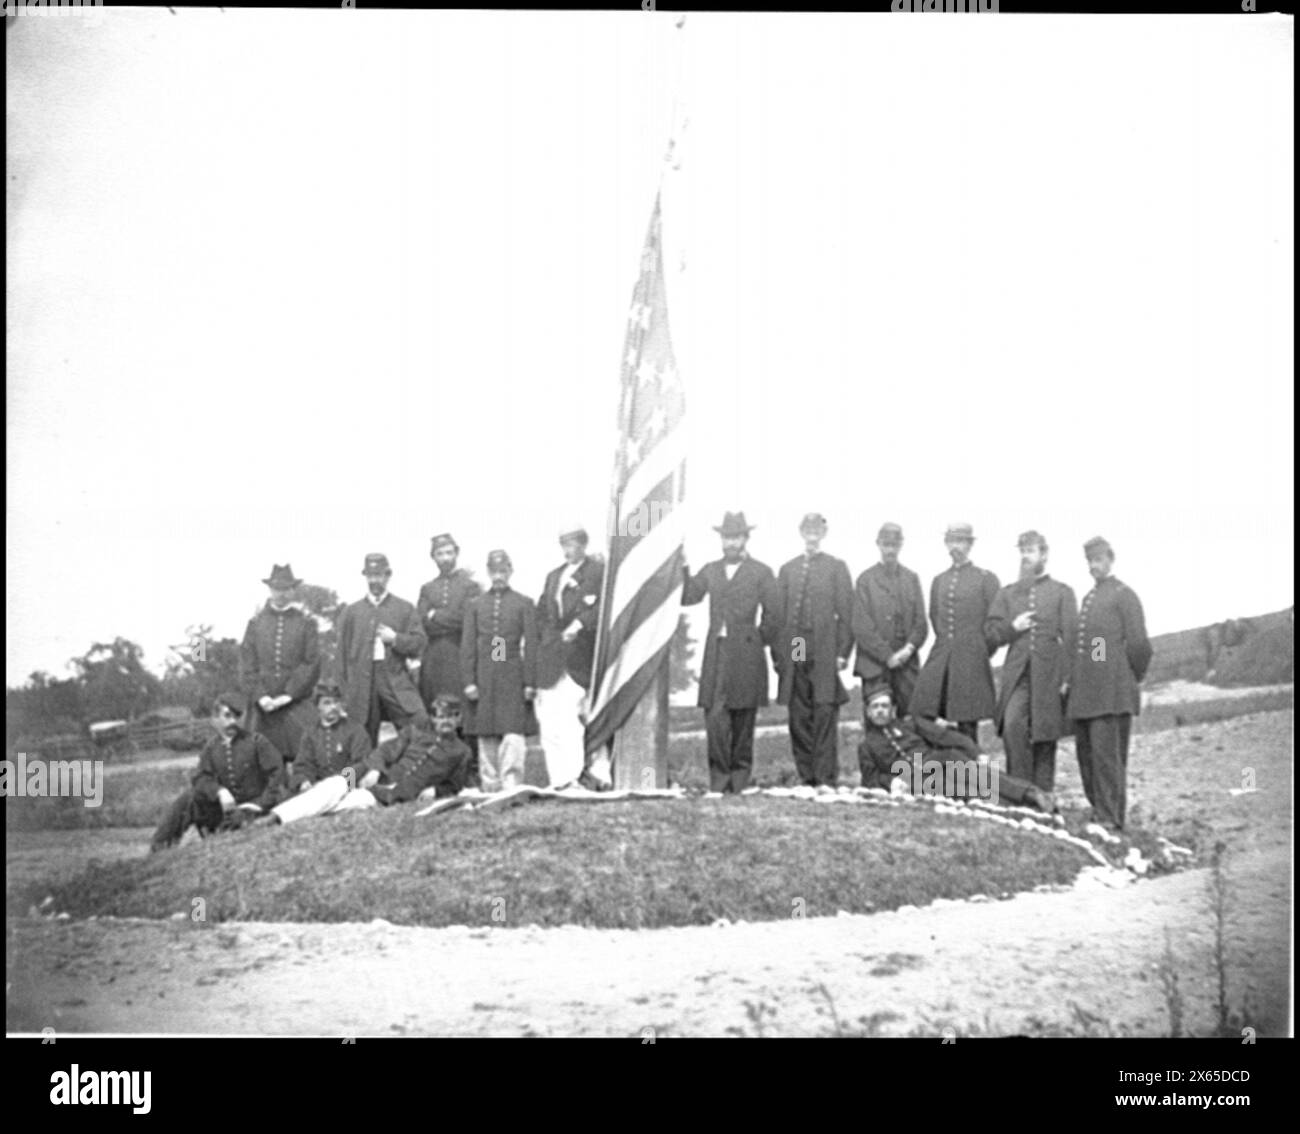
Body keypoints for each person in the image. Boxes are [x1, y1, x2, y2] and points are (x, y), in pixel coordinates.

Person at [681, 511, 781, 794]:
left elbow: (775, 616)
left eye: (736, 537)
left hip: (747, 653)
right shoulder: (711, 570)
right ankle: (719, 781)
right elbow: (689, 595)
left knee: (743, 717)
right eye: (727, 537)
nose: (731, 543)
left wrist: (756, 639)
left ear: (746, 539)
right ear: (721, 539)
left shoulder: (761, 572)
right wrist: (683, 565)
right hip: (717, 652)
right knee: (715, 717)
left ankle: (739, 781)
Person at [259, 695, 469, 824]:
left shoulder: (462, 751)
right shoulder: (413, 733)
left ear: (459, 718)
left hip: (385, 796)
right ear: (433, 718)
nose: (445, 722)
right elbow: (384, 751)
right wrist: (375, 769)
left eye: (451, 716)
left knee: (348, 805)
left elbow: (455, 784)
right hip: (363, 775)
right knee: (334, 785)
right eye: (440, 716)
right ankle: (274, 817)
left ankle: (284, 816)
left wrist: (436, 791)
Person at [1065, 536, 1152, 833]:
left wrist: (1130, 677)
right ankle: (1099, 809)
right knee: (1087, 756)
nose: (1093, 566)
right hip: (1089, 693)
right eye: (1089, 561)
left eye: (1098, 560)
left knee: (1107, 759)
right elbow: (1097, 647)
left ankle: (1111, 818)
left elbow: (1138, 644)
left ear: (1110, 559)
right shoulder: (1090, 598)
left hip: (1111, 694)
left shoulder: (1123, 595)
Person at [857, 683, 1055, 813]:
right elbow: (871, 779)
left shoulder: (911, 724)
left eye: (884, 706)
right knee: (966, 791)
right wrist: (892, 782)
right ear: (868, 712)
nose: (880, 711)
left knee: (980, 775)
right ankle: (1022, 810)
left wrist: (976, 752)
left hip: (940, 760)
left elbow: (946, 736)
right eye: (875, 707)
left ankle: (1032, 794)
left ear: (892, 711)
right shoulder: (866, 746)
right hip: (917, 779)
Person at [985, 531, 1078, 793]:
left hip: (1050, 676)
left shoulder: (1062, 592)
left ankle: (1044, 799)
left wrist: (1070, 678)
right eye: (1022, 551)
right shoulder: (1008, 594)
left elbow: (1073, 638)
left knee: (1046, 736)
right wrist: (1012, 628)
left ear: (1044, 554)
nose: (1025, 556)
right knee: (1013, 726)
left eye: (1031, 550)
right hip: (1017, 676)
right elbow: (990, 634)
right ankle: (1021, 795)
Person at [773, 513, 853, 787]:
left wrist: (843, 652)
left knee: (824, 709)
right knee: (799, 710)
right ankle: (807, 776)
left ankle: (825, 778)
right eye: (807, 529)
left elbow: (846, 614)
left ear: (824, 532)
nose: (812, 534)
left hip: (824, 645)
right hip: (798, 644)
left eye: (817, 529)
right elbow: (779, 616)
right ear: (800, 532)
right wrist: (781, 657)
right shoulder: (788, 569)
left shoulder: (836, 567)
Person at [150, 692, 286, 851]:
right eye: (227, 716)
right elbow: (201, 777)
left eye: (236, 716)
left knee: (243, 821)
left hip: (254, 809)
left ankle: (227, 831)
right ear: (215, 720)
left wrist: (260, 804)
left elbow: (277, 775)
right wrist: (219, 792)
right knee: (189, 798)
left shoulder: (256, 742)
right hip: (224, 812)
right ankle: (160, 847)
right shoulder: (211, 747)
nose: (232, 722)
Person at [910, 522, 1001, 741]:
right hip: (942, 655)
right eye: (951, 541)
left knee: (967, 722)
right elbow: (935, 617)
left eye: (960, 541)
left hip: (972, 657)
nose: (955, 547)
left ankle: (970, 771)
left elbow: (995, 623)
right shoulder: (939, 580)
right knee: (921, 710)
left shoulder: (986, 578)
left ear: (969, 545)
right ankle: (942, 766)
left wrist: (979, 650)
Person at [461, 550, 538, 793]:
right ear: (488, 573)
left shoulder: (523, 603)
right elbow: (468, 645)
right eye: (494, 572)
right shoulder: (476, 605)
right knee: (486, 731)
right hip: (484, 676)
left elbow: (532, 645)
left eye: (503, 571)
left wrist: (529, 681)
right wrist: (469, 681)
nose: (498, 577)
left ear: (510, 572)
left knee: (512, 729)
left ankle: (512, 783)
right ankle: (490, 784)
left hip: (512, 675)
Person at [535, 524, 605, 790]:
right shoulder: (553, 577)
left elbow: (603, 607)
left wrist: (580, 625)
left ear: (583, 545)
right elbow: (540, 614)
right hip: (548, 658)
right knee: (550, 721)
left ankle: (579, 776)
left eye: (573, 544)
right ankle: (559, 779)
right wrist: (546, 639)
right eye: (563, 544)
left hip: (580, 656)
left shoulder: (597, 572)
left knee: (576, 718)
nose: (568, 550)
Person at [336, 553, 428, 745]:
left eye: (379, 575)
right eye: (371, 575)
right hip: (362, 684)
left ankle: (408, 773)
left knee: (418, 725)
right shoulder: (352, 612)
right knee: (358, 739)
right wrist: (345, 692)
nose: (375, 580)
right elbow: (342, 656)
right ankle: (353, 776)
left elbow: (420, 642)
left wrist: (396, 639)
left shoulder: (404, 608)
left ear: (388, 576)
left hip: (393, 678)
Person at [238, 563, 320, 768]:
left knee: (313, 749)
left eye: (286, 589)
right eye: (277, 588)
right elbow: (247, 663)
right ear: (270, 590)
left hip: (295, 700)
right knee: (255, 756)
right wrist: (261, 696)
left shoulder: (306, 623)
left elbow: (311, 662)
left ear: (293, 590)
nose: (281, 594)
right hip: (262, 704)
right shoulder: (255, 623)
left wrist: (289, 695)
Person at [259, 681, 372, 825]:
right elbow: (303, 765)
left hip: (349, 787)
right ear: (317, 707)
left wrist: (343, 781)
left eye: (336, 702)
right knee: (328, 793)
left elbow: (362, 762)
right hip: (320, 789)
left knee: (362, 798)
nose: (333, 707)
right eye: (327, 703)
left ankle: (285, 815)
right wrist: (304, 782)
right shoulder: (310, 734)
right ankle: (285, 815)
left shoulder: (355, 729)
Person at [852, 522, 927, 718]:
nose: (890, 550)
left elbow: (921, 623)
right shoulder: (865, 580)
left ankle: (915, 752)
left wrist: (908, 649)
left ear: (901, 545)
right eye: (886, 545)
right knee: (877, 721)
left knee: (913, 722)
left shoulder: (911, 578)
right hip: (874, 664)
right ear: (878, 545)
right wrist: (887, 656)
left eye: (894, 545)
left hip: (906, 662)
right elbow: (861, 627)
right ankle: (878, 751)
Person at [416, 534, 481, 709]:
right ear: (433, 557)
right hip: (433, 659)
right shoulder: (427, 589)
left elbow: (469, 620)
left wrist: (435, 615)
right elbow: (421, 622)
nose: (445, 558)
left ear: (456, 553)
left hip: (460, 655)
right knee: (434, 710)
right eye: (440, 554)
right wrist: (451, 618)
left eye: (449, 553)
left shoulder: (470, 586)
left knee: (462, 711)